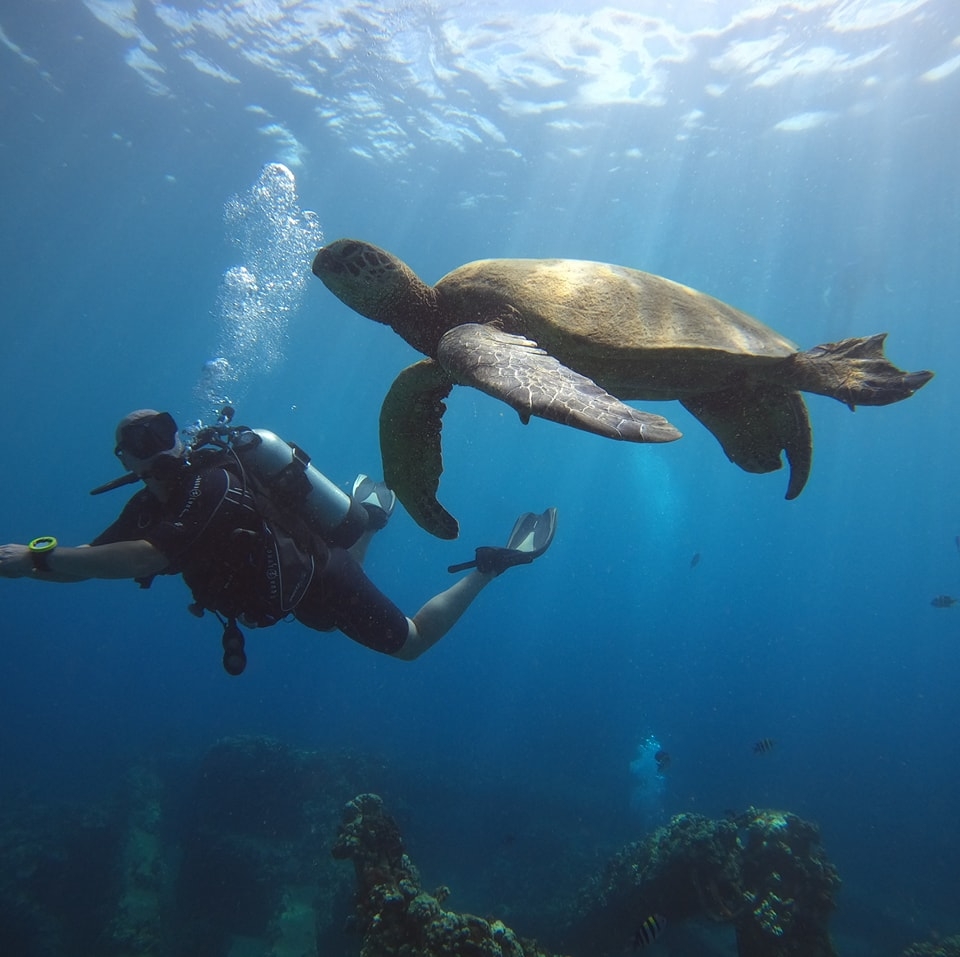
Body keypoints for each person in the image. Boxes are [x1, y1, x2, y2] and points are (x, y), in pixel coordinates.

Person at [0, 409, 557, 674]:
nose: (154, 447)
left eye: (160, 433)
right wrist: (36, 562)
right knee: (322, 620)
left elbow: (146, 557)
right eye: (138, 442)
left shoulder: (211, 483)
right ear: (124, 460)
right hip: (288, 594)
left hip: (319, 577)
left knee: (409, 643)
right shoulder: (147, 506)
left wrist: (34, 557)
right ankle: (366, 522)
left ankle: (490, 566)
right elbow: (93, 561)